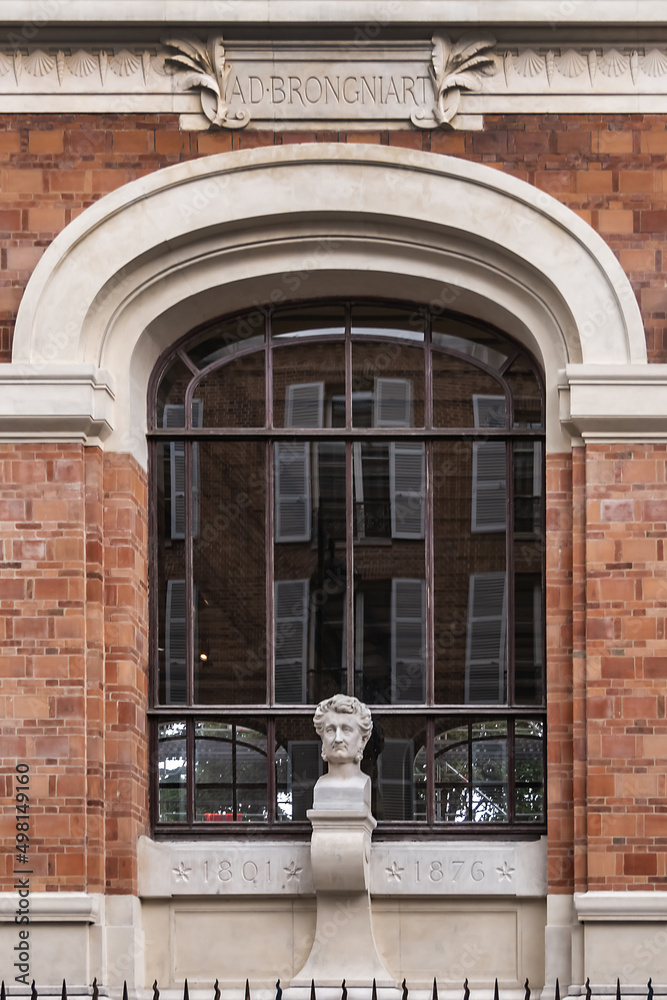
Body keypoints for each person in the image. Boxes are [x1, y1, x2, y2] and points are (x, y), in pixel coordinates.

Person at [312, 694, 372, 779]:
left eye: (346, 730)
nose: (338, 739)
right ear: (322, 739)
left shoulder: (363, 784)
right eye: (330, 730)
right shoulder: (320, 786)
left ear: (362, 741)